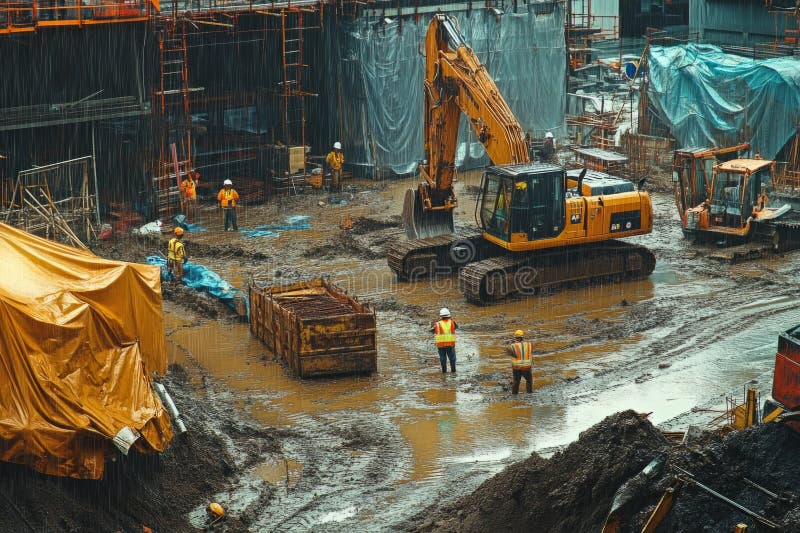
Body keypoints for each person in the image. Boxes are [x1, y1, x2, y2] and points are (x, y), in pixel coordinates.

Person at [506, 329, 533, 394]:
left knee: (516, 381)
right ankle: (529, 393)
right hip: (526, 367)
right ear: (523, 337)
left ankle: (514, 394)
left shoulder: (512, 346)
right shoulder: (529, 344)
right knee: (529, 380)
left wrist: (510, 343)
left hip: (516, 367)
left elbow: (508, 352)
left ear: (515, 338)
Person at [431, 307, 457, 373]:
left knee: (443, 359)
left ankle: (444, 372)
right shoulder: (452, 322)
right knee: (452, 359)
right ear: (449, 315)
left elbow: (431, 331)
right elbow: (456, 327)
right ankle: (453, 372)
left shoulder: (437, 324)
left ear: (441, 316)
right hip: (450, 345)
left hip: (441, 345)